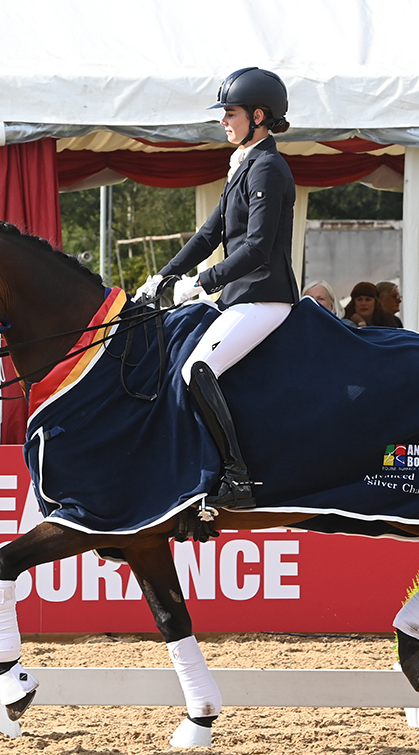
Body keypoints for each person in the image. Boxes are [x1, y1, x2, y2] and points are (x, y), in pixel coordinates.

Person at [135, 66, 295, 510]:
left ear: (258, 116)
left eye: (231, 113)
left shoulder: (267, 168)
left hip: (264, 296)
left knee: (196, 370)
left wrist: (200, 284)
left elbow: (258, 249)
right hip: (239, 296)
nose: (223, 121)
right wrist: (163, 277)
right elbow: (209, 235)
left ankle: (238, 478)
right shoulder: (243, 166)